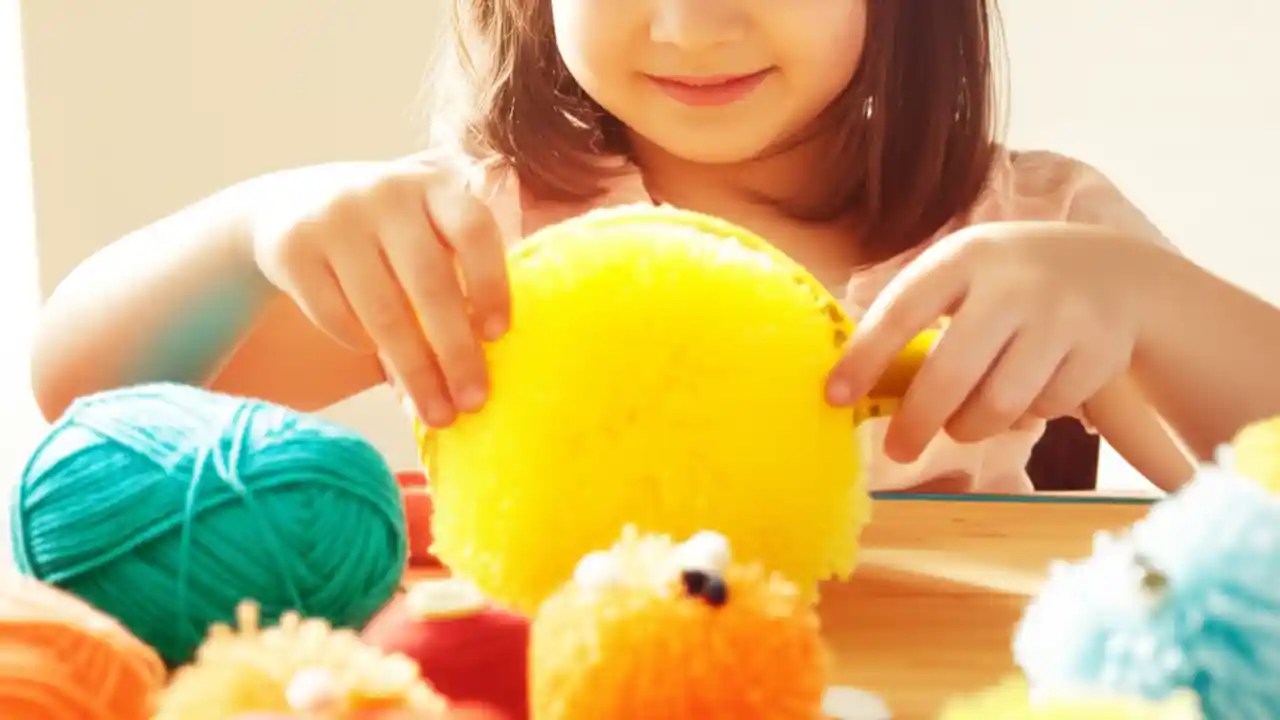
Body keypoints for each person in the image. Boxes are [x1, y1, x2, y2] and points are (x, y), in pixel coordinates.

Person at [29, 0, 1280, 494]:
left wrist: (1146, 301)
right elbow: (86, 400)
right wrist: (253, 234)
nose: (688, 23)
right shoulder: (487, 233)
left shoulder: (1027, 227)